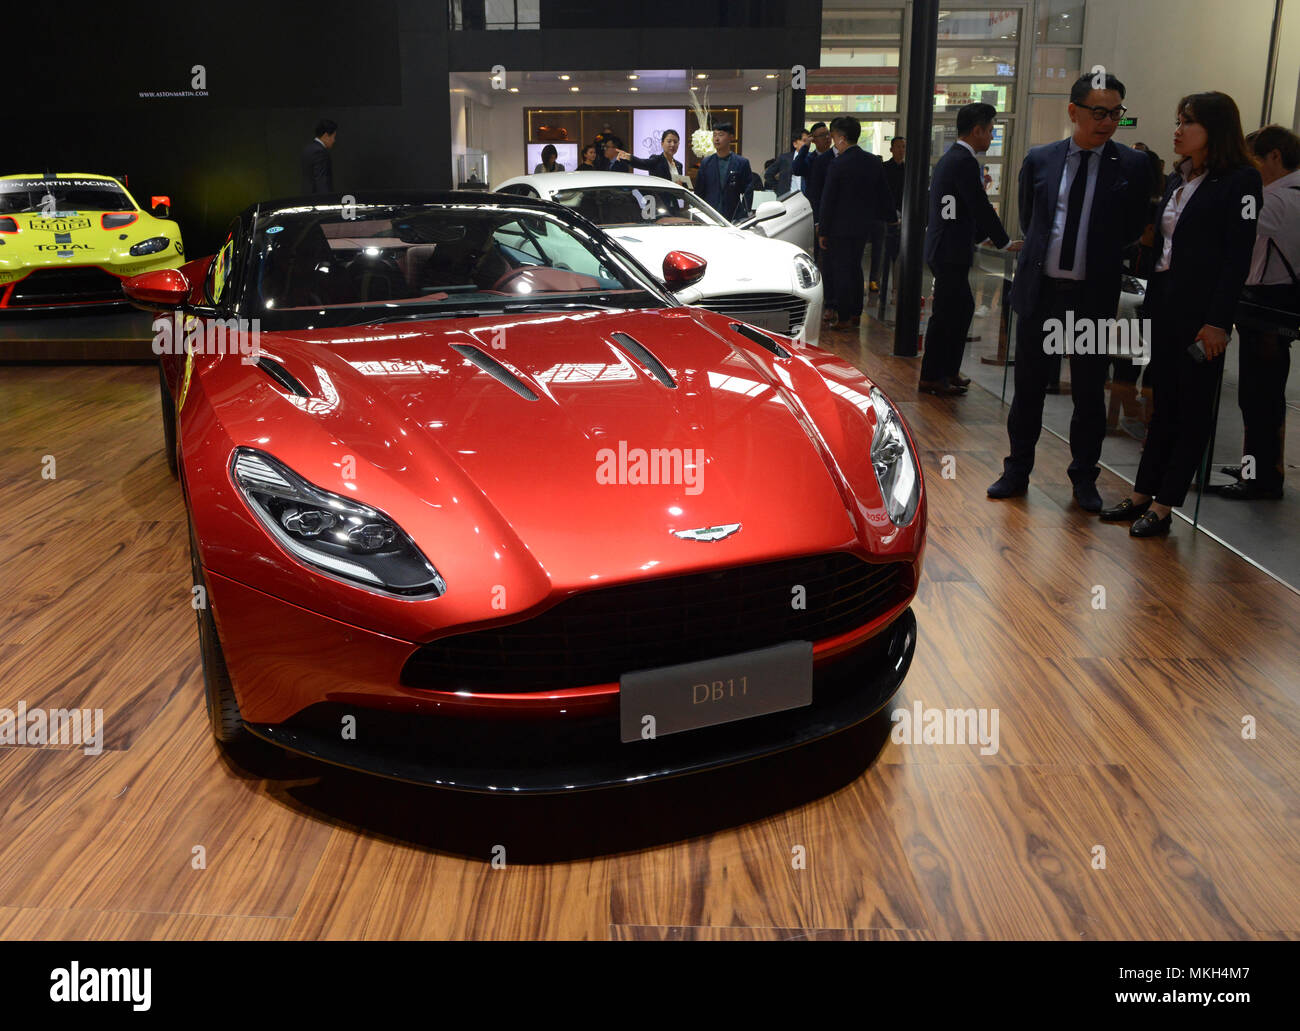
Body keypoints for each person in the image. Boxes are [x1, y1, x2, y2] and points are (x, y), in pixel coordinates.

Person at [1099, 91, 1262, 537]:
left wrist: (1217, 322)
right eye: (1178, 120)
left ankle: (1167, 504)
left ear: (1215, 129)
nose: (1177, 129)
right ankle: (1142, 493)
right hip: (1164, 306)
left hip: (1201, 315)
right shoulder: (1178, 178)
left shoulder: (1241, 181)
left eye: (1187, 121)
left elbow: (1237, 259)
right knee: (1161, 403)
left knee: (1191, 410)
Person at [987, 73, 1151, 509]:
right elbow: (1030, 220)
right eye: (1099, 112)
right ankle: (1016, 470)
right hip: (1042, 294)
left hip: (1091, 297)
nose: (1109, 121)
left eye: (1116, 112)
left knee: (1088, 392)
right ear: (1073, 111)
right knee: (1028, 389)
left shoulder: (1132, 167)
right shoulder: (1041, 159)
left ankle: (1084, 478)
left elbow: (1134, 228)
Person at [1211, 125, 1300, 500]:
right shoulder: (1283, 194)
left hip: (1269, 306)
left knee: (1260, 394)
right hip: (1267, 304)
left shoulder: (1281, 199)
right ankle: (1256, 466)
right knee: (1259, 393)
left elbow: (1233, 223)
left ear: (1275, 157)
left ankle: (1262, 478)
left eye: (1254, 161)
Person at [919, 103, 1020, 396]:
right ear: (976, 130)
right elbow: (979, 205)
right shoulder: (963, 161)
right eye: (989, 131)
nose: (990, 137)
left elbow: (961, 209)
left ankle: (946, 371)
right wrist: (1002, 240)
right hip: (948, 250)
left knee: (958, 309)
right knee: (949, 313)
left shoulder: (953, 159)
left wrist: (978, 238)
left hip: (949, 247)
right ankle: (933, 375)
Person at [817, 116, 897, 332]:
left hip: (839, 228)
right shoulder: (872, 161)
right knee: (855, 266)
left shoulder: (837, 164)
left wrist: (823, 230)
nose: (834, 142)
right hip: (864, 225)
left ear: (842, 138)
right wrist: (891, 218)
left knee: (842, 269)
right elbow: (884, 193)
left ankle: (843, 317)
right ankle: (855, 313)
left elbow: (828, 199)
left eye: (834, 137)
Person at [793, 123, 836, 314]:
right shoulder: (810, 158)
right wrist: (805, 148)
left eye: (828, 135)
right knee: (815, 255)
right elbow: (797, 169)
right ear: (814, 139)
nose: (826, 139)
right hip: (813, 209)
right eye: (821, 136)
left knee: (830, 259)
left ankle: (831, 300)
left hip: (834, 211)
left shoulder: (836, 157)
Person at [696, 123, 752, 221]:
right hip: (710, 214)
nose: (716, 139)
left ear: (731, 137)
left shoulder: (742, 162)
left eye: (721, 135)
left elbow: (748, 190)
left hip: (733, 214)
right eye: (714, 135)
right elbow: (699, 191)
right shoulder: (706, 162)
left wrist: (744, 212)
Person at [618, 129, 685, 181]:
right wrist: (629, 157)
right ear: (662, 143)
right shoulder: (656, 160)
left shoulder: (679, 165)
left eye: (675, 142)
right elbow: (642, 163)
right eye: (669, 141)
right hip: (658, 197)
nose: (672, 145)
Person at [300, 119, 336, 194]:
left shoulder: (308, 149)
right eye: (333, 136)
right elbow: (321, 181)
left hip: (307, 196)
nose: (334, 140)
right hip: (318, 199)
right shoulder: (320, 152)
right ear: (326, 135)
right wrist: (326, 201)